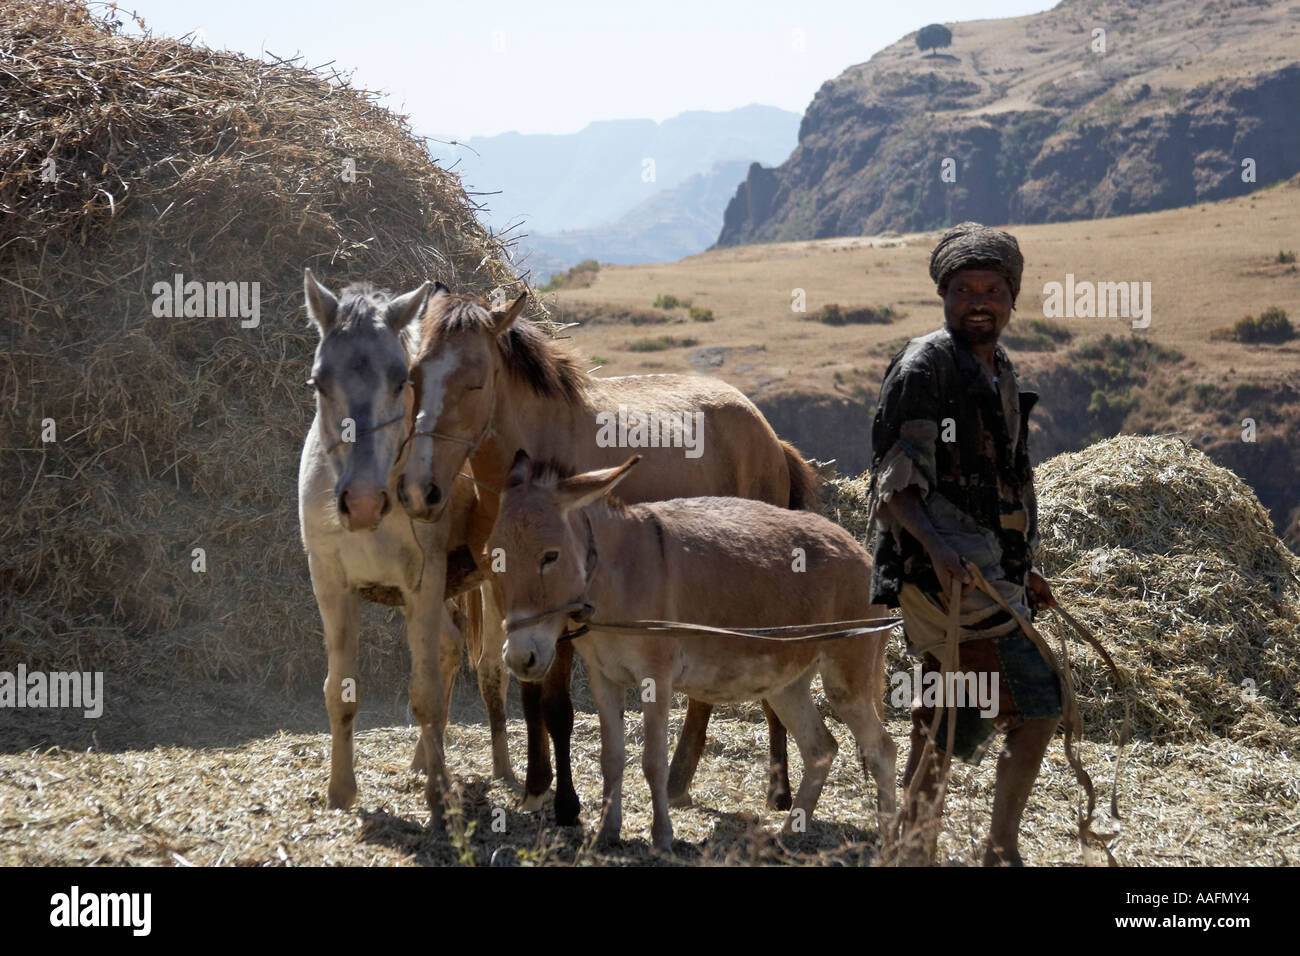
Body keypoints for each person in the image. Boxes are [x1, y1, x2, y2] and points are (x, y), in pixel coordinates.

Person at [869, 221, 1062, 866]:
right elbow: (895, 484)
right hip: (944, 575)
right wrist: (940, 550)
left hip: (988, 575)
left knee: (949, 714)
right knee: (1038, 699)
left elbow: (1005, 483)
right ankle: (998, 852)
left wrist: (1023, 568)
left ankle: (915, 849)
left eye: (992, 289)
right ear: (943, 297)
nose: (978, 301)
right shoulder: (925, 366)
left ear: (1012, 298)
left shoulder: (1001, 370)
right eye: (963, 289)